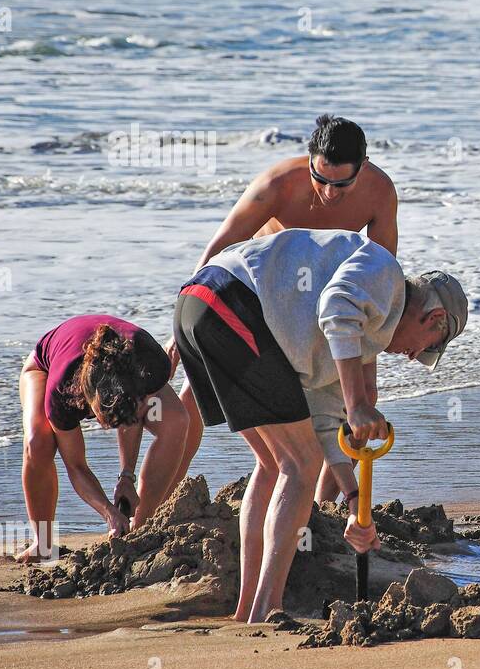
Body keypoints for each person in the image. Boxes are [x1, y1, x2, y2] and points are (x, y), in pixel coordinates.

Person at [173, 228, 467, 623]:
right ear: (434, 318)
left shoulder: (353, 345)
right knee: (299, 466)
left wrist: (352, 503)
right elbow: (335, 307)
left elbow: (327, 426)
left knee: (276, 463)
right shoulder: (385, 273)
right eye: (430, 345)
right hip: (231, 302)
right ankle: (267, 609)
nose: (416, 357)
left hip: (197, 308)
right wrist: (359, 403)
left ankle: (246, 611)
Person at [168, 115, 400, 503]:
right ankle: (150, 507)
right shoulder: (276, 185)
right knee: (190, 396)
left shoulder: (380, 192)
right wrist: (177, 329)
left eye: (342, 184)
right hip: (259, 303)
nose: (329, 193)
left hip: (326, 305)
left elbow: (381, 271)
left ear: (364, 164)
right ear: (309, 160)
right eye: (320, 180)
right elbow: (217, 250)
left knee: (363, 396)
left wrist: (366, 343)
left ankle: (323, 508)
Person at [17, 316, 188, 561]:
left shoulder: (151, 363)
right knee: (38, 442)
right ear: (87, 401)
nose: (103, 426)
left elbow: (133, 417)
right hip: (43, 367)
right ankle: (42, 543)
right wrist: (108, 511)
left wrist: (126, 476)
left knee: (175, 421)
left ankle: (140, 525)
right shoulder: (62, 393)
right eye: (103, 417)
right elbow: (76, 466)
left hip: (128, 361)